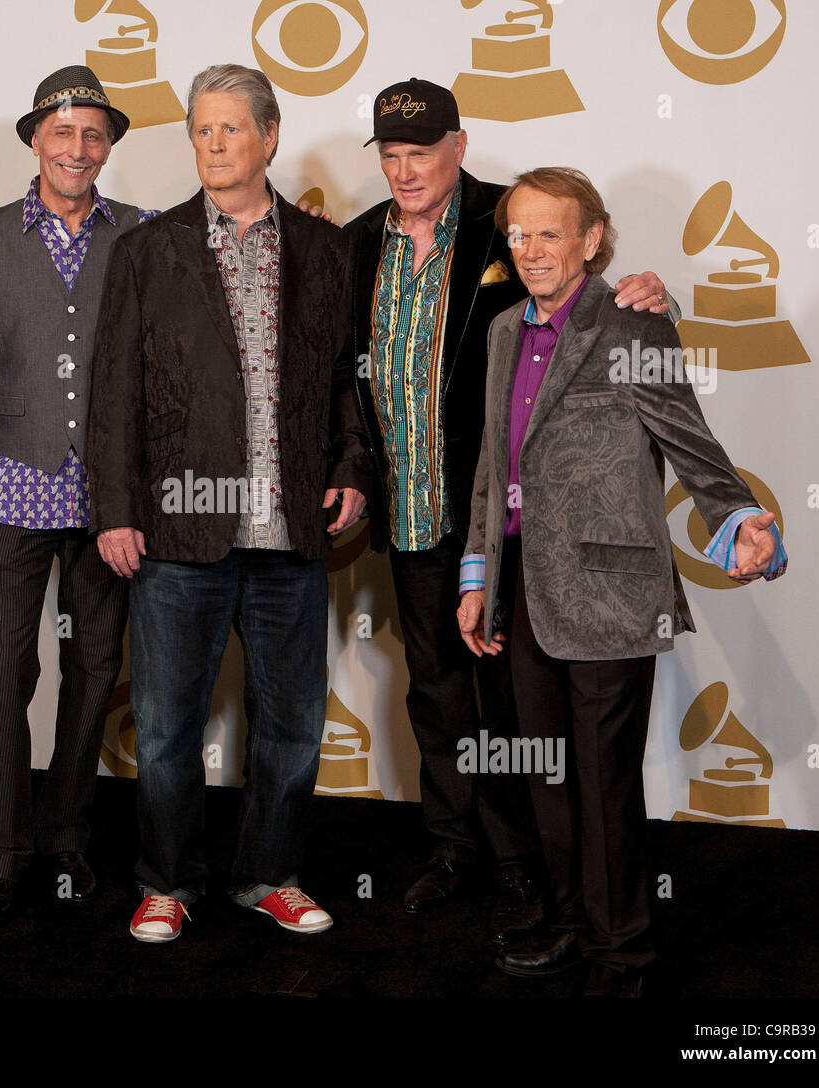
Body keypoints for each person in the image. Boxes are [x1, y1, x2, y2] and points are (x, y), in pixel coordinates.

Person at [346, 79, 673, 941]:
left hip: (510, 520)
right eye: (389, 153)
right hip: (413, 511)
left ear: (458, 145)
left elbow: (576, 300)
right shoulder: (353, 245)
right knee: (438, 694)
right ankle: (457, 849)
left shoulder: (511, 219)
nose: (404, 168)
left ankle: (528, 869)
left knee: (522, 711)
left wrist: (646, 288)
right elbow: (340, 374)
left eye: (421, 150)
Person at [457, 166, 785, 995]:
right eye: (519, 234)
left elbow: (689, 438)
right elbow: (494, 470)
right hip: (523, 588)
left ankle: (621, 952)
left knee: (604, 786)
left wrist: (740, 517)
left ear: (591, 240)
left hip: (610, 590)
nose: (531, 250)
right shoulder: (502, 331)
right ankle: (572, 925)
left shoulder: (632, 321)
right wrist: (476, 577)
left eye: (550, 233)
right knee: (549, 773)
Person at [87, 63, 370, 943]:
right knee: (167, 729)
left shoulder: (325, 251)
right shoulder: (147, 249)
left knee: (291, 725)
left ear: (269, 137)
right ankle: (167, 882)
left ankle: (270, 876)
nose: (213, 146)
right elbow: (112, 393)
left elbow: (346, 381)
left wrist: (355, 465)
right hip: (175, 534)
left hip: (290, 535)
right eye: (201, 131)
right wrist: (114, 510)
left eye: (230, 130)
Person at [0, 66, 157, 922]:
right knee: (5, 665)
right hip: (12, 485)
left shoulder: (144, 234)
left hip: (108, 498)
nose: (77, 148)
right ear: (36, 140)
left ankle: (66, 833)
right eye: (62, 131)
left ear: (108, 146)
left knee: (94, 664)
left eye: (93, 134)